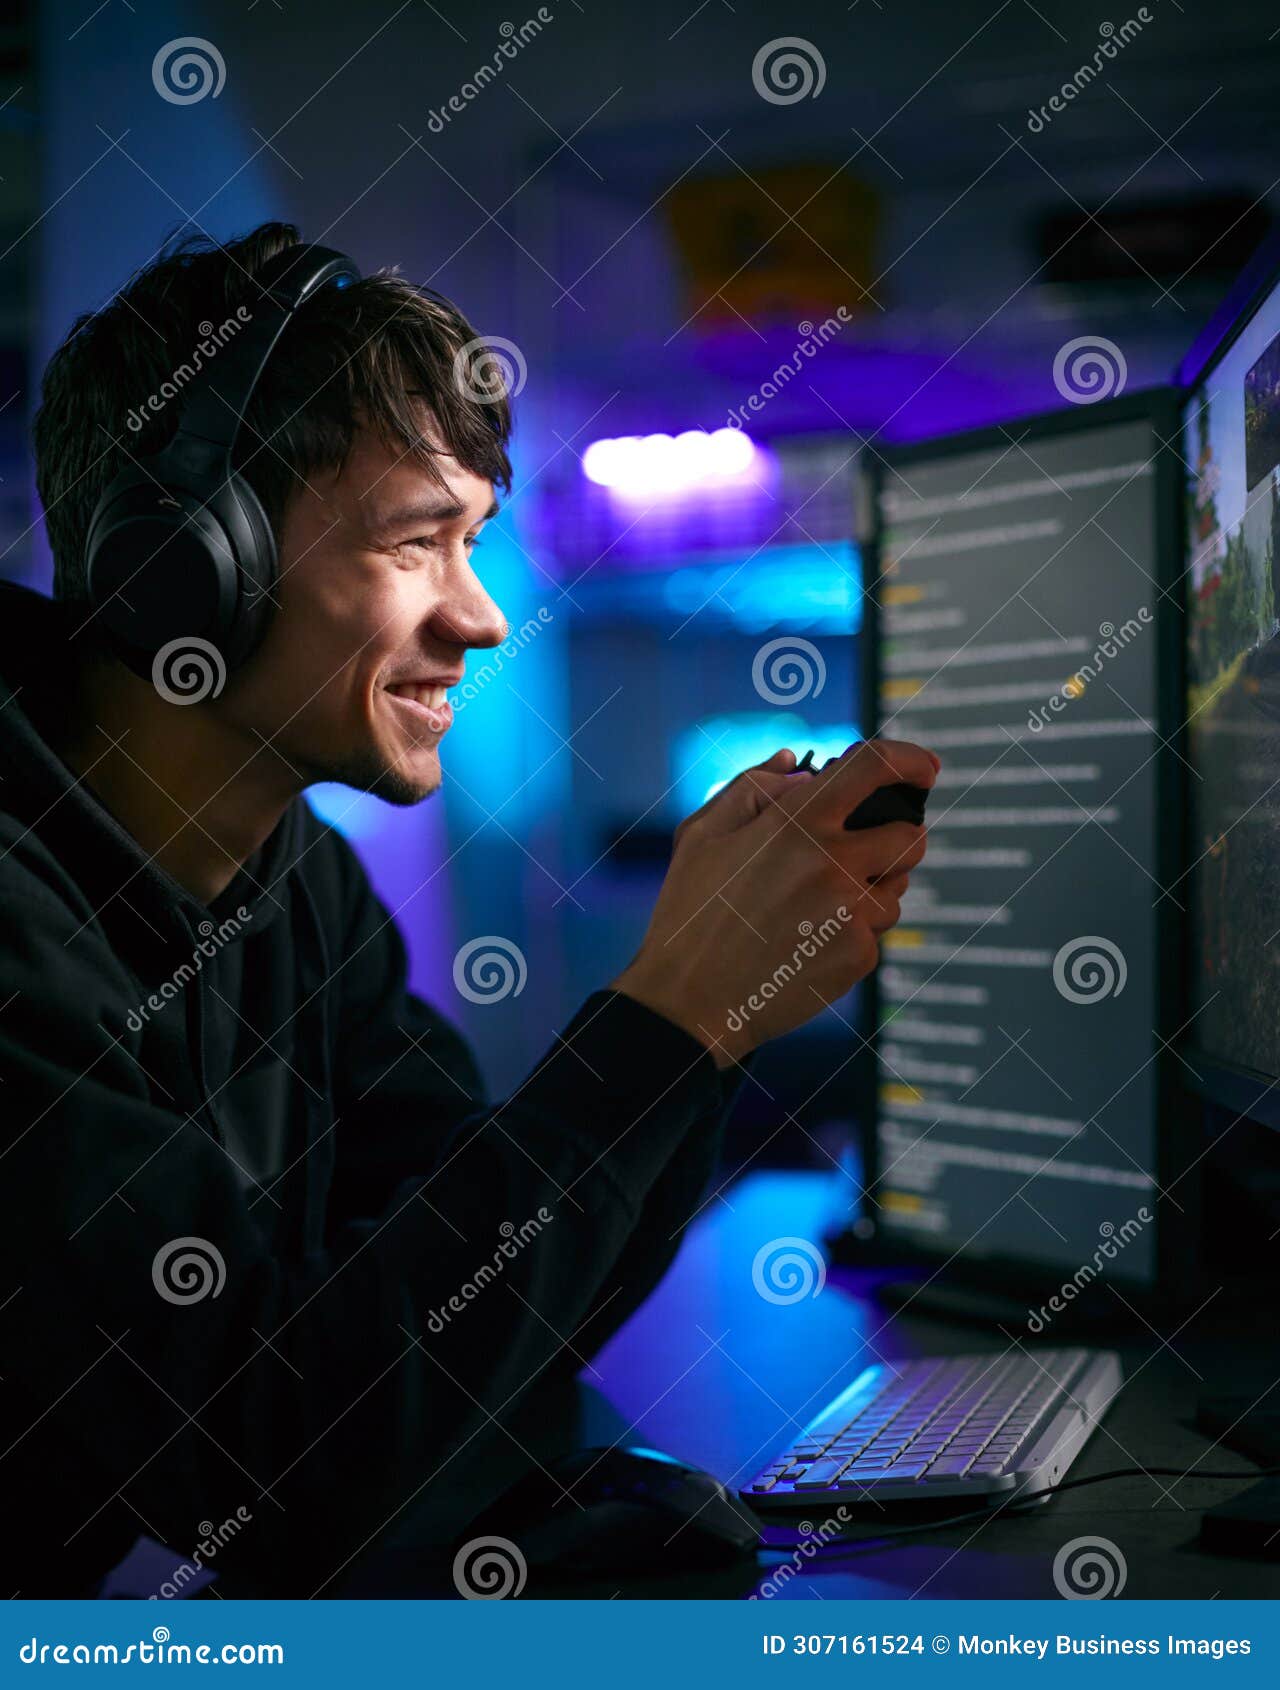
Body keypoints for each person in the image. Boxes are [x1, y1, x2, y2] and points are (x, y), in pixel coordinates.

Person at [0, 221, 935, 1595]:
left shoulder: (294, 882)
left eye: (476, 540)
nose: (483, 615)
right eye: (418, 541)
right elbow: (262, 1466)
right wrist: (664, 1014)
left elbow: (470, 1317)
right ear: (184, 566)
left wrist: (711, 1025)